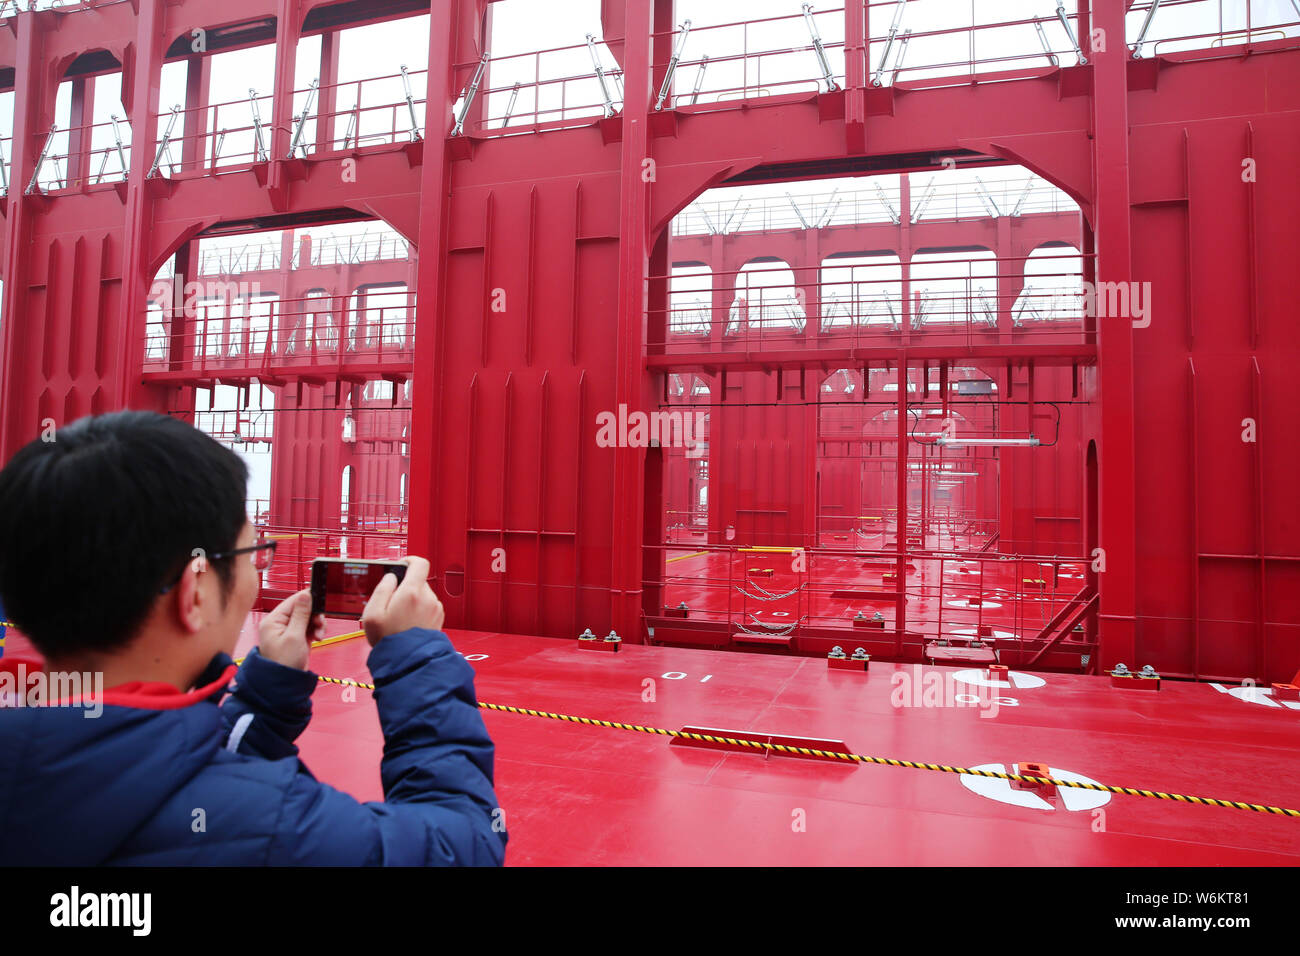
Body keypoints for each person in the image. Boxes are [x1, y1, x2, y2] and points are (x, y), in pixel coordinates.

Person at [0, 410, 506, 866]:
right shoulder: (277, 828)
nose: (256, 572)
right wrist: (418, 660)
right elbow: (464, 844)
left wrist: (265, 701)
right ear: (195, 591)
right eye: (251, 553)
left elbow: (149, 775)